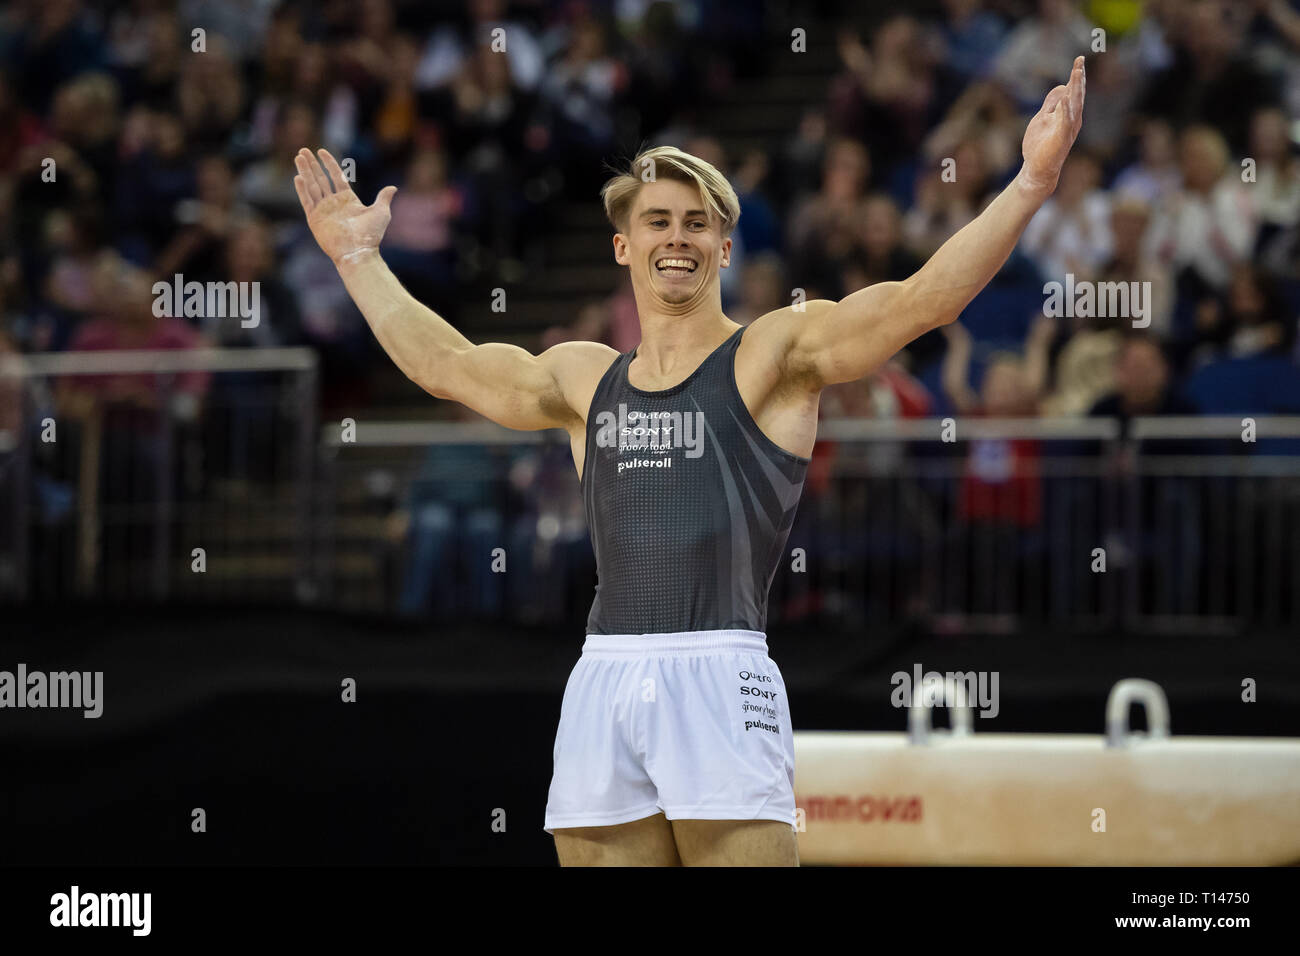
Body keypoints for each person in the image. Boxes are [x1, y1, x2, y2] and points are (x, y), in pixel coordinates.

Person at [292, 57, 1088, 866]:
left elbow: (922, 301)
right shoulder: (581, 375)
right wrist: (358, 260)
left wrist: (1028, 181)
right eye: (659, 220)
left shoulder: (773, 351)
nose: (677, 237)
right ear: (622, 245)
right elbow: (448, 366)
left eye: (698, 222)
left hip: (719, 669)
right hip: (604, 676)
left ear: (726, 247)